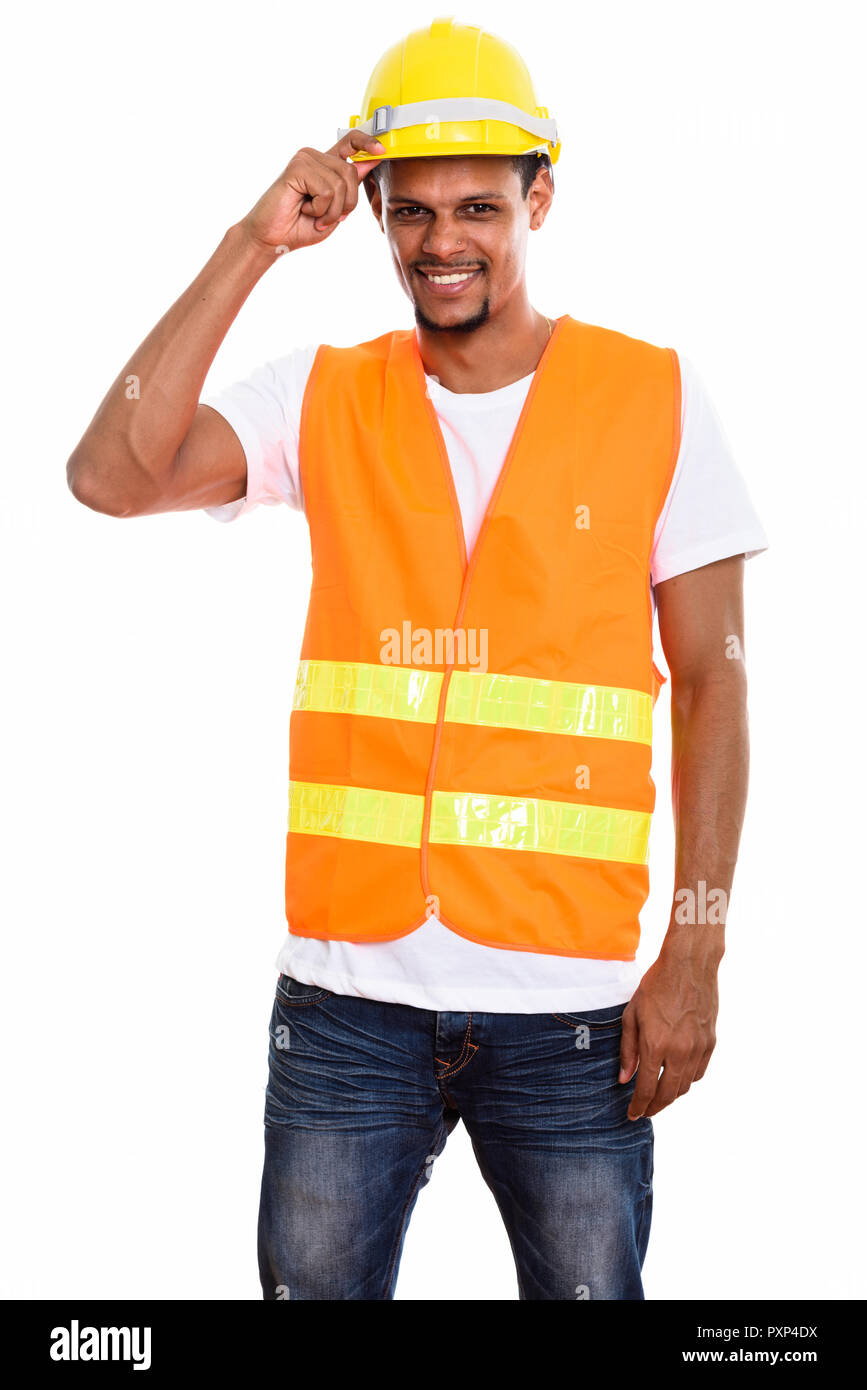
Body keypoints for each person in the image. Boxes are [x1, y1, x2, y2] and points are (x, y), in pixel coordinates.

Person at [66, 17, 768, 1300]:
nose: (444, 242)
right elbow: (109, 477)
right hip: (347, 1008)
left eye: (479, 207)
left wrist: (699, 949)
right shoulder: (320, 394)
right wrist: (253, 245)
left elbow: (717, 680)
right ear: (376, 211)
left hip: (574, 1017)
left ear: (539, 197)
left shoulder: (653, 397)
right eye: (413, 210)